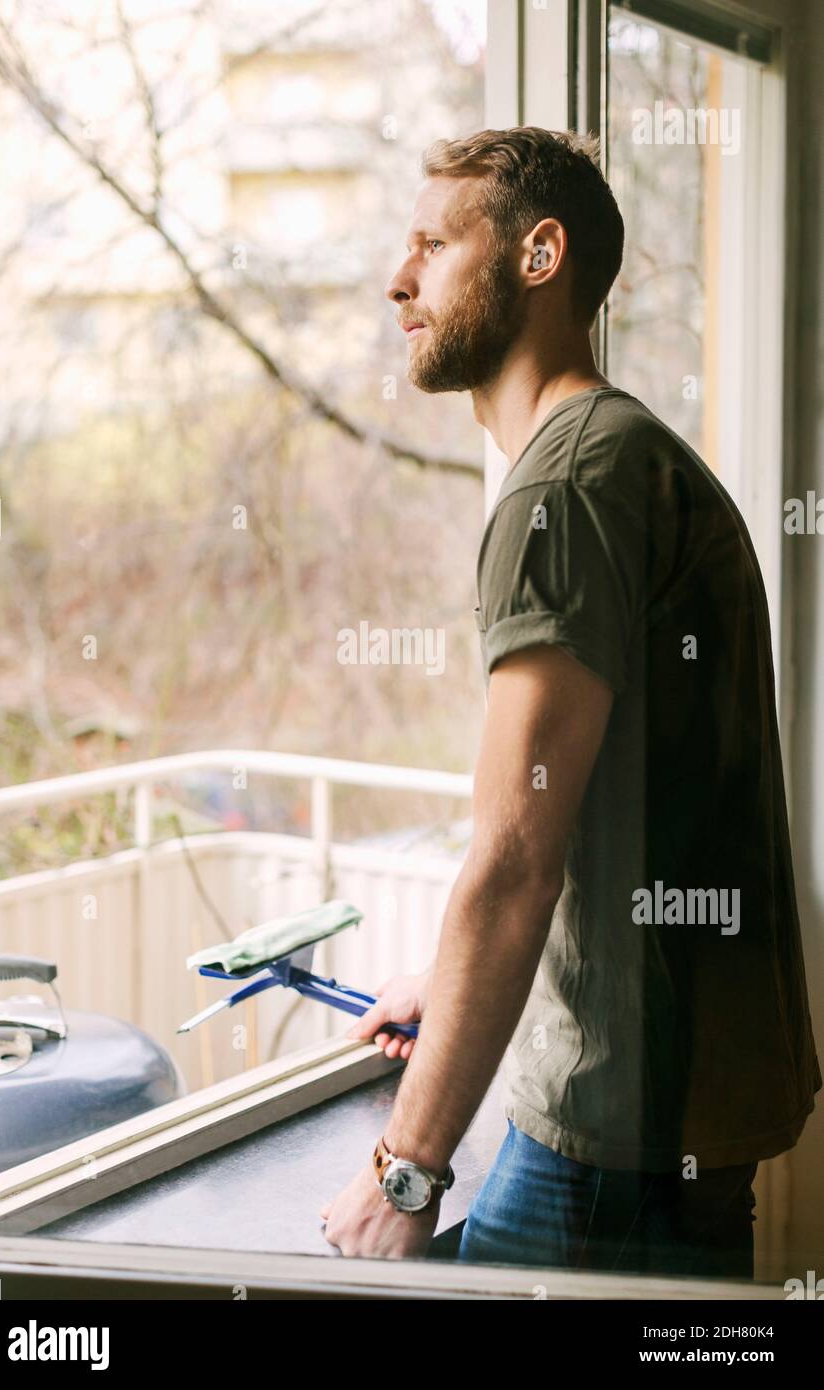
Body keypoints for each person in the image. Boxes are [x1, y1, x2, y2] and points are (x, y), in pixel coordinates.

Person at [319, 126, 821, 1279]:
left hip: (610, 1126)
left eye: (431, 246)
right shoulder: (632, 455)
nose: (398, 281)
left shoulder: (564, 485)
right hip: (679, 1111)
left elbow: (513, 857)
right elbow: (612, 812)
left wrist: (407, 1166)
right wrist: (443, 987)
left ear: (538, 256)